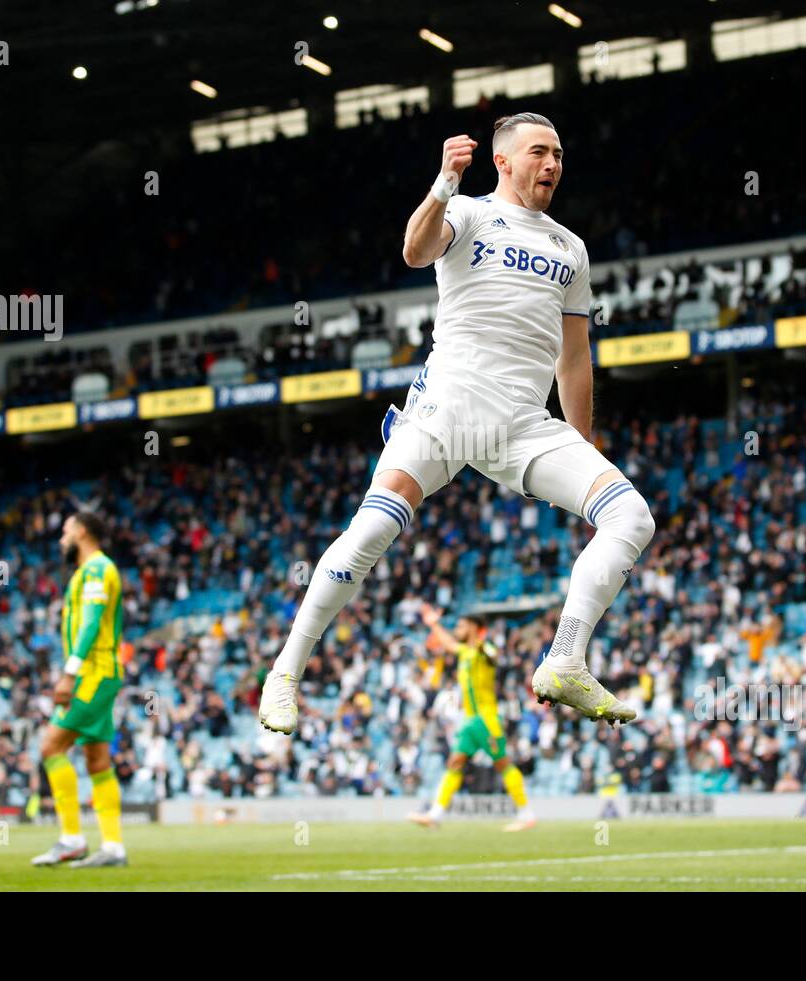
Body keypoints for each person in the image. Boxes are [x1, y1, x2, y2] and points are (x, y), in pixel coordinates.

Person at [259, 112, 654, 733]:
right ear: (503, 161)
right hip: (449, 405)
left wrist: (579, 449)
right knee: (373, 529)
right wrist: (443, 182)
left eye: (558, 154)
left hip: (525, 423)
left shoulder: (570, 248)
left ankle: (566, 659)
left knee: (631, 515)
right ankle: (285, 670)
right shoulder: (468, 213)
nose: (552, 164)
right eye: (539, 152)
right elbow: (414, 251)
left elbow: (573, 358)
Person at [30, 511, 128, 869]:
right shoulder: (89, 572)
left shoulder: (97, 570)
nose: (61, 539)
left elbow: (90, 625)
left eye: (65, 531)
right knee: (97, 760)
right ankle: (113, 847)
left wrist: (69, 674)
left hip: (94, 673)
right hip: (97, 672)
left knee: (51, 745)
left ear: (82, 532)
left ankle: (71, 839)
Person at [407, 605, 535, 831]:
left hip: (486, 720)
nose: (457, 629)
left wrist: (483, 643)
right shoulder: (465, 652)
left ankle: (526, 815)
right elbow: (448, 644)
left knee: (502, 764)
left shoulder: (484, 650)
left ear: (474, 628)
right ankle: (435, 815)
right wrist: (433, 624)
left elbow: (494, 656)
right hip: (469, 721)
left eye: (461, 626)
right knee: (454, 762)